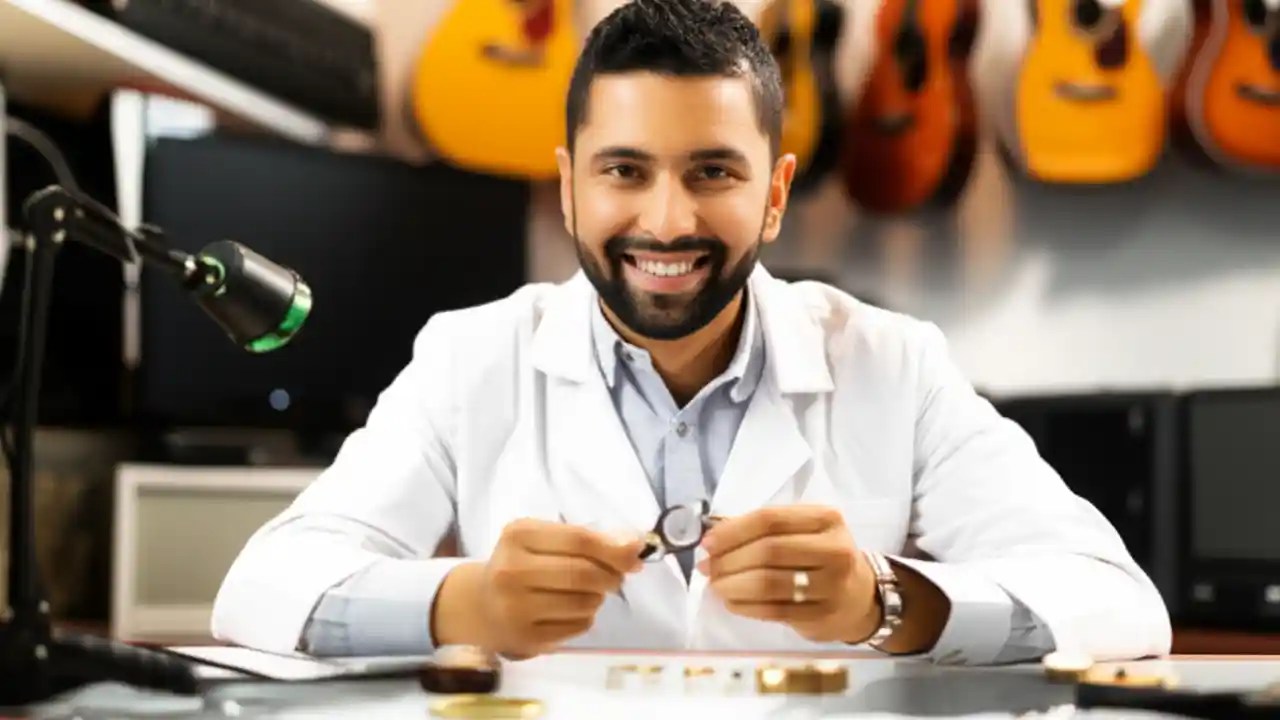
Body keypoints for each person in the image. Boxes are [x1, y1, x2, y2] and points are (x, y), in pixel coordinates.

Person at [211, 0, 1171, 665]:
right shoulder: (472, 356)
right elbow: (257, 591)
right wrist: (469, 603)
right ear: (571, 181)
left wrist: (882, 602)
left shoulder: (894, 363)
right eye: (624, 171)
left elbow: (1123, 608)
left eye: (712, 172)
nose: (665, 221)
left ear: (776, 194)